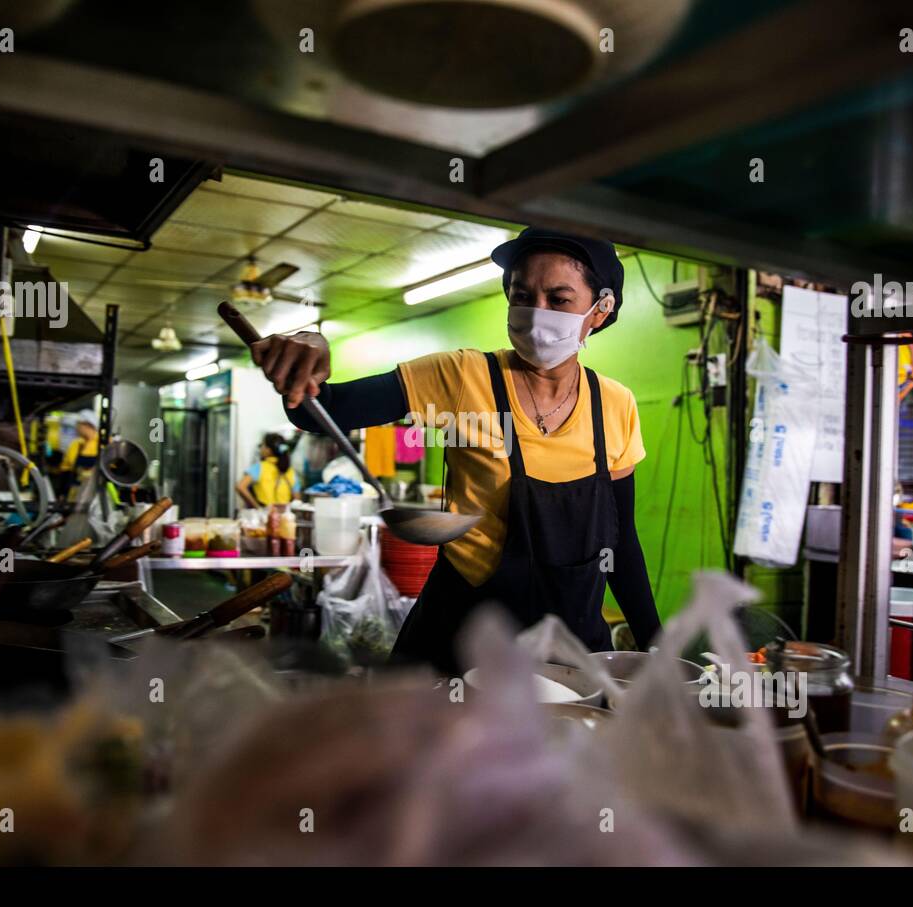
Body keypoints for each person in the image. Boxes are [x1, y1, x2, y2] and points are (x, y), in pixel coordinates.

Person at [247, 226, 661, 673]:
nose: (536, 314)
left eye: (559, 300)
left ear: (600, 310)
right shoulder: (464, 375)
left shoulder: (615, 405)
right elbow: (318, 411)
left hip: (571, 649)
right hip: (461, 640)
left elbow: (621, 544)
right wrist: (310, 348)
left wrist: (659, 651)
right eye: (521, 297)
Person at [236, 433, 299, 508]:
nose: (261, 448)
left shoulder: (259, 467)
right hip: (285, 516)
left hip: (266, 515)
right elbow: (297, 500)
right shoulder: (290, 471)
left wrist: (257, 507)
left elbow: (240, 487)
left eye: (262, 445)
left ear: (268, 450)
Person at [58, 408, 100, 500]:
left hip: (95, 496)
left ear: (87, 425)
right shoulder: (76, 444)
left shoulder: (103, 444)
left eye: (78, 424)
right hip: (75, 494)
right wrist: (63, 493)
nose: (76, 427)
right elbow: (66, 471)